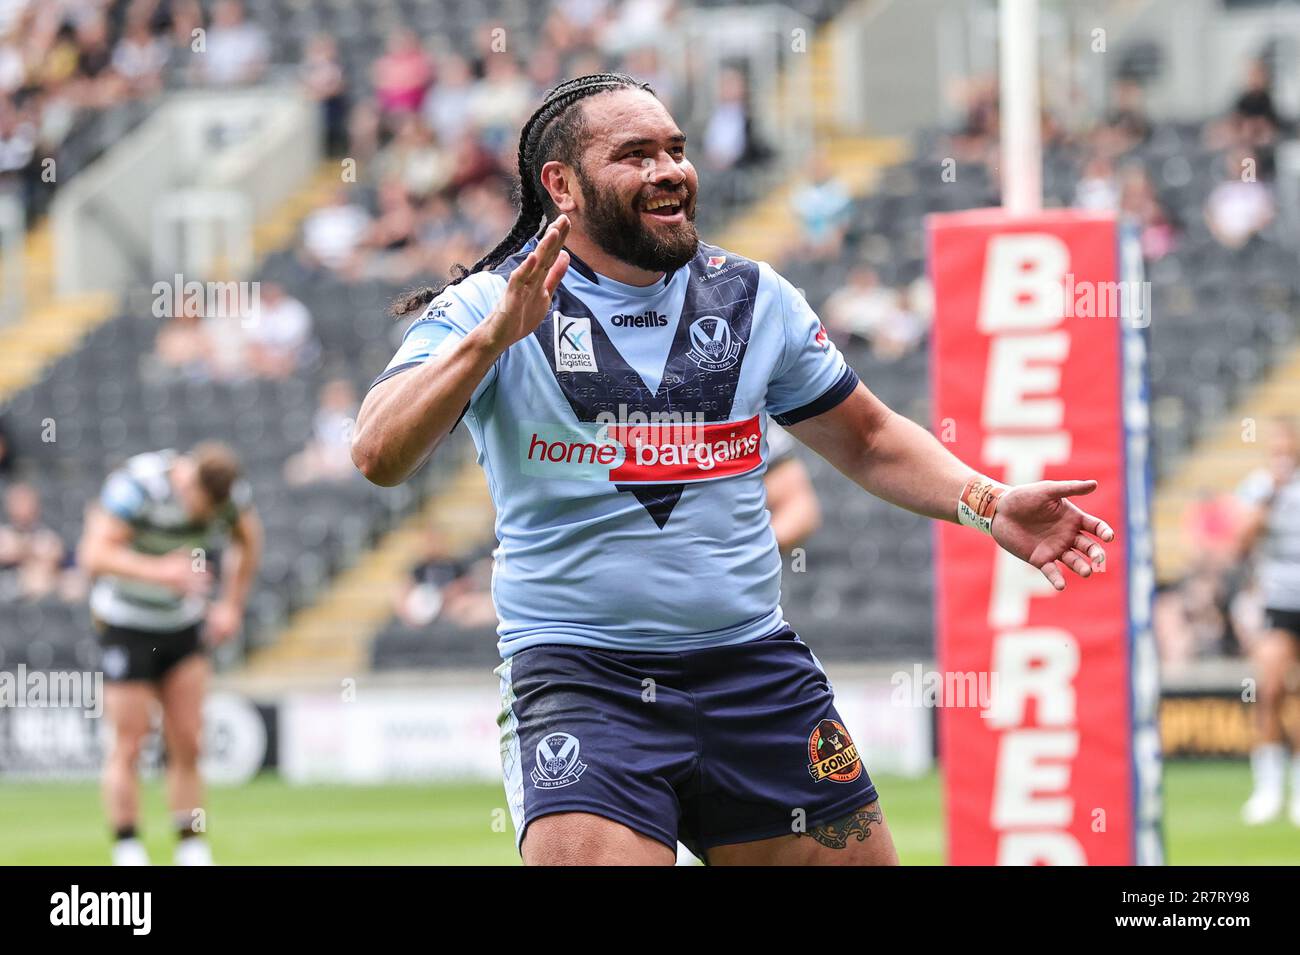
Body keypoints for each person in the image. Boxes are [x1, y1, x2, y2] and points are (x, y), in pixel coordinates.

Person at [352, 73, 1114, 866]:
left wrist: (988, 502)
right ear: (561, 185)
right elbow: (379, 455)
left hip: (751, 668)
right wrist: (490, 343)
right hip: (583, 676)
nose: (669, 170)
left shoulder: (755, 296)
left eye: (676, 150)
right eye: (635, 154)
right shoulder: (489, 307)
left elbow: (870, 438)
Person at [77, 443, 263, 865]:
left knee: (188, 741)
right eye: (201, 506)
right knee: (129, 742)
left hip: (181, 626)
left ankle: (191, 846)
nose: (204, 518)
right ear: (188, 481)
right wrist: (162, 571)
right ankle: (128, 848)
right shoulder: (137, 486)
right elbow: (93, 556)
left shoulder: (229, 497)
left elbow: (249, 539)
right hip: (127, 623)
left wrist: (231, 604)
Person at [1235, 419, 1300, 826]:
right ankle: (1268, 786)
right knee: (1270, 688)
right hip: (1278, 601)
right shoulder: (1259, 486)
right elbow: (1240, 541)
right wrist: (1270, 497)